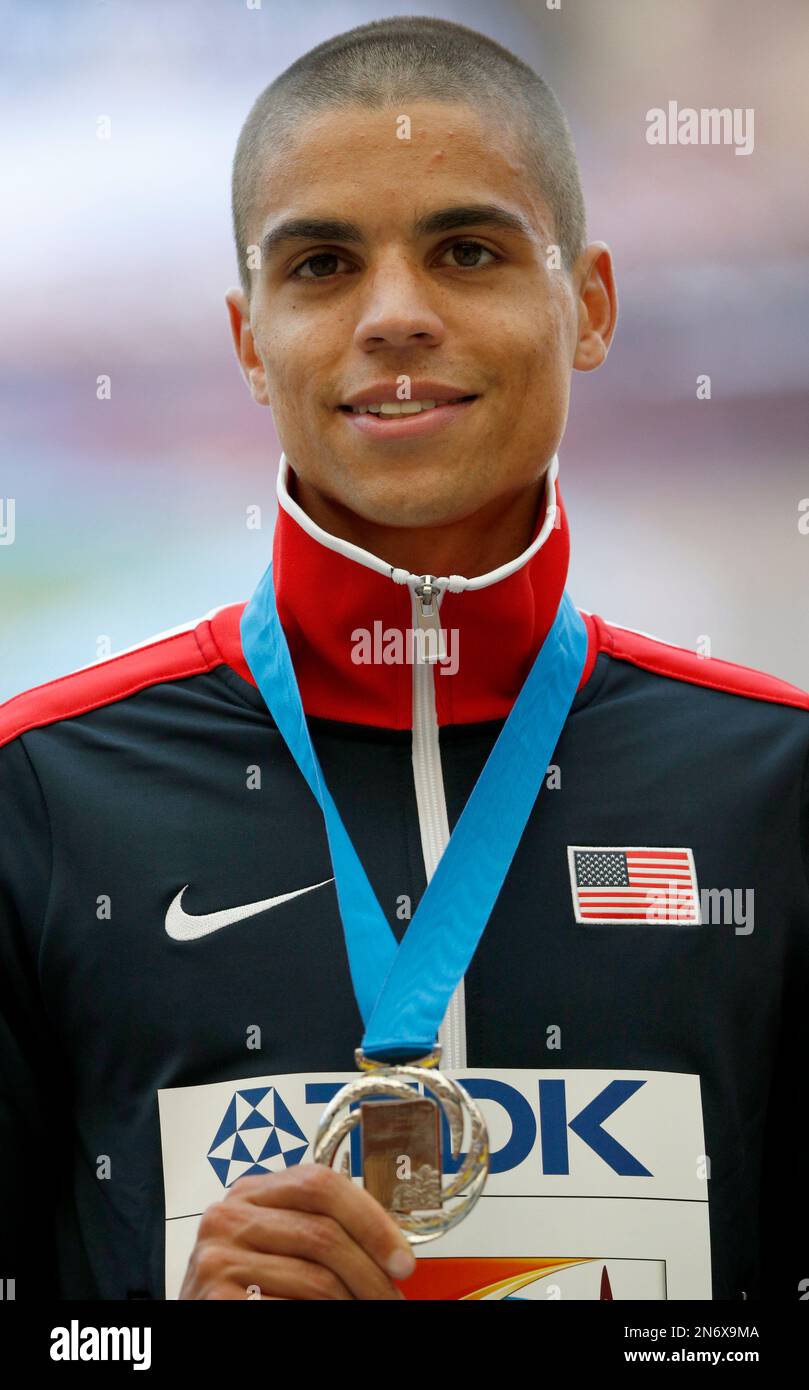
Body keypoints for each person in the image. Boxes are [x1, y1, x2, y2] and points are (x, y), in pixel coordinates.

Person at [1, 15, 807, 1304]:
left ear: (588, 303)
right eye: (321, 264)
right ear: (249, 337)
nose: (393, 318)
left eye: (468, 250)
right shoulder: (39, 790)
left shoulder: (779, 781)